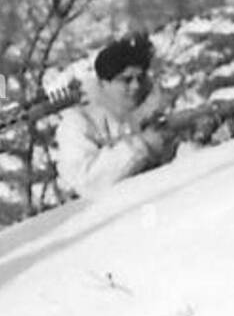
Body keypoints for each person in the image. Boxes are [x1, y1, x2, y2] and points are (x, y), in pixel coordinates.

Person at [52, 33, 179, 200]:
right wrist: (141, 147)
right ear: (104, 83)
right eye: (126, 80)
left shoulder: (153, 111)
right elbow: (87, 182)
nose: (136, 86)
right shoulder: (79, 123)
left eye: (140, 78)